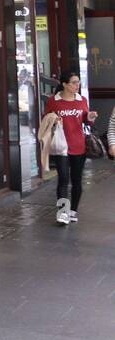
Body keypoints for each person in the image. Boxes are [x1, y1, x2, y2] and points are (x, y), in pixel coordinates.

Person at [45, 69, 94, 224]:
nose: (77, 85)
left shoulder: (82, 100)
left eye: (78, 82)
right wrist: (54, 119)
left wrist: (90, 118)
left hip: (78, 145)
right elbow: (46, 119)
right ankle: (62, 212)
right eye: (74, 82)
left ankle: (73, 211)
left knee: (77, 180)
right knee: (63, 179)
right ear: (64, 84)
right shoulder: (54, 101)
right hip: (61, 146)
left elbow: (86, 121)